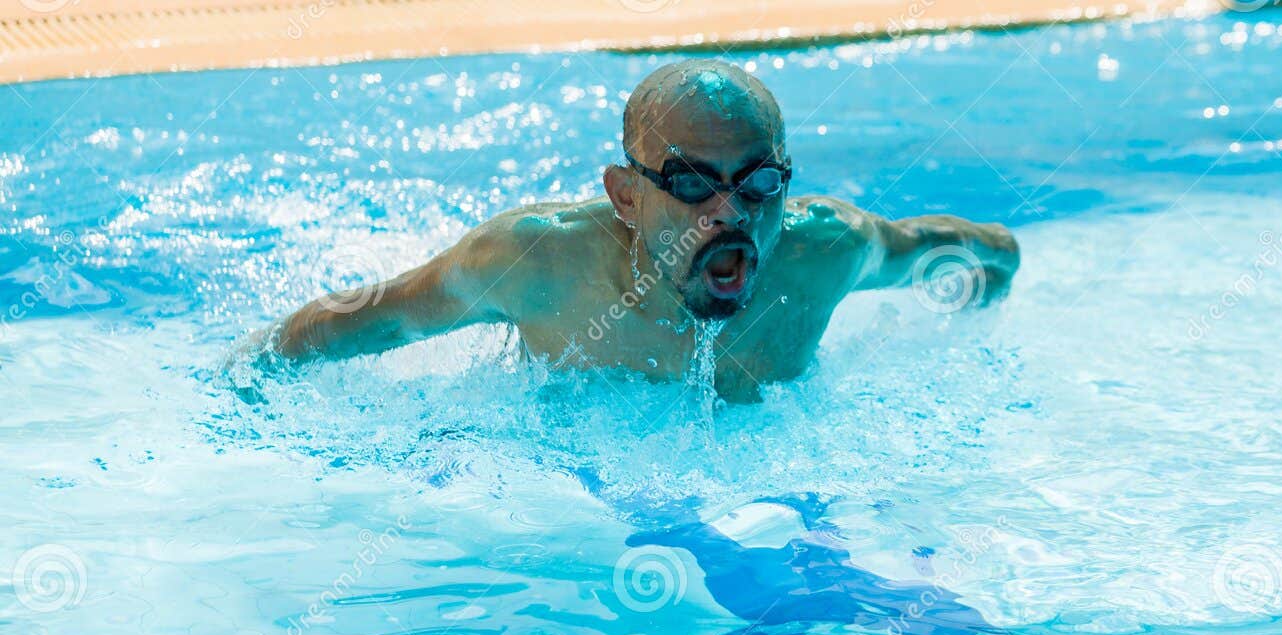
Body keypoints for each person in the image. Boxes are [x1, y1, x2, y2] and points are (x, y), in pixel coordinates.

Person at [246, 59, 1020, 403]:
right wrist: (237, 384)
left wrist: (986, 306)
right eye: (688, 184)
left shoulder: (828, 251)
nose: (729, 213)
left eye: (757, 185)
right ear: (625, 196)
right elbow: (369, 317)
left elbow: (972, 250)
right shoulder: (536, 260)